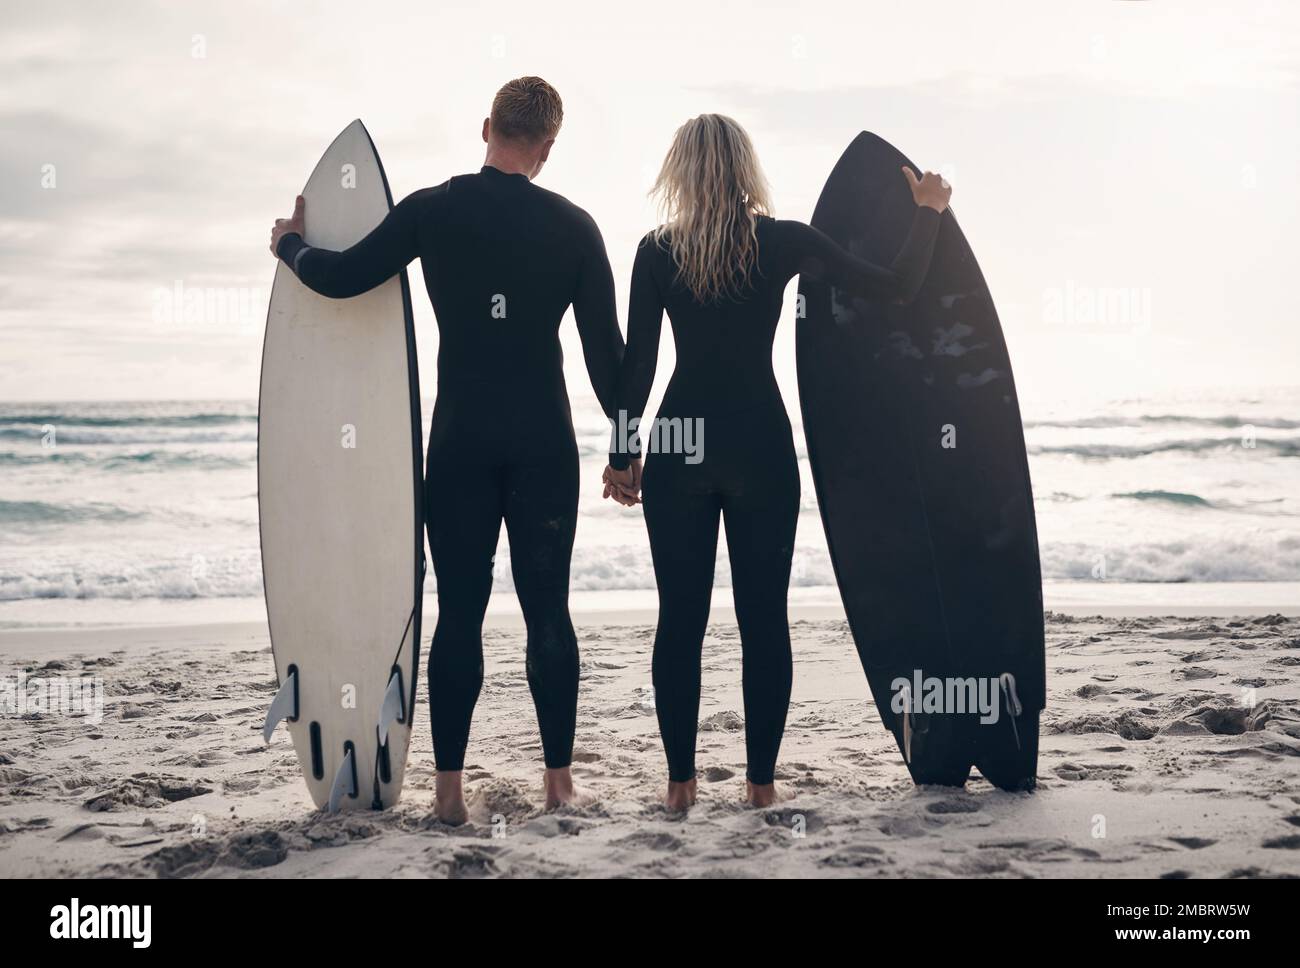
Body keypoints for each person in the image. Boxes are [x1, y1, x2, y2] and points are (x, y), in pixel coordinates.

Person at [270, 77, 625, 824]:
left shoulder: (433, 211)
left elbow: (340, 280)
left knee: (457, 617)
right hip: (542, 446)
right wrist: (625, 452)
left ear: (486, 124)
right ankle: (559, 787)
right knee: (548, 615)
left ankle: (449, 795)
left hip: (460, 443)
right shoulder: (576, 228)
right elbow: (609, 366)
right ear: (549, 148)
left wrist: (290, 245)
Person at [603, 114, 950, 810]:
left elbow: (637, 368)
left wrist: (622, 453)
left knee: (680, 620)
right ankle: (761, 790)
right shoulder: (781, 240)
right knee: (764, 620)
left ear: (680, 170)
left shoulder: (656, 250)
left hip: (680, 444)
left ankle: (680, 790)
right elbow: (895, 286)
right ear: (744, 168)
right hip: (760, 442)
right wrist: (929, 216)